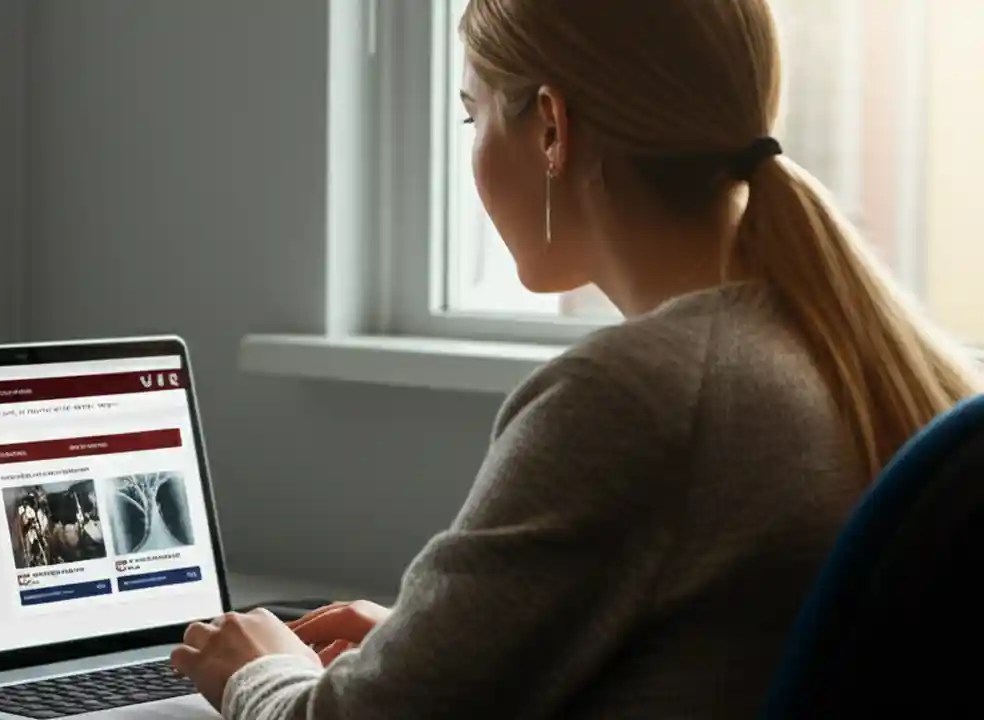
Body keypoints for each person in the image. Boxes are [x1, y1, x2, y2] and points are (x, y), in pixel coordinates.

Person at [171, 0, 982, 717]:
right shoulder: (835, 348)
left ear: (552, 128)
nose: (472, 148)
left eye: (471, 115)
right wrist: (429, 651)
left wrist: (259, 673)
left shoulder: (635, 397)